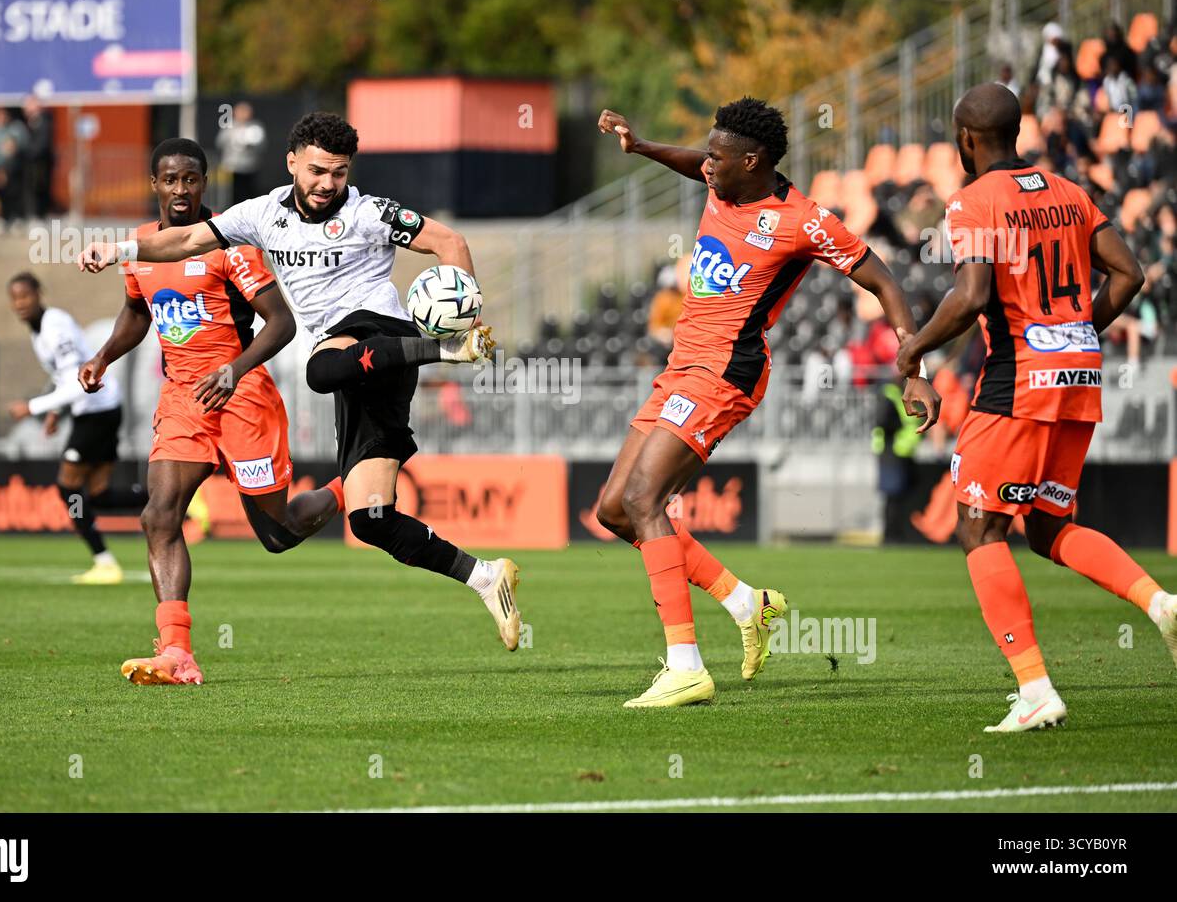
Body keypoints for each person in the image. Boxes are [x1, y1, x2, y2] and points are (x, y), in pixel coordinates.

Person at [77, 112, 523, 653]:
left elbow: (447, 241)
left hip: (379, 336)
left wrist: (466, 314)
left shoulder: (372, 212)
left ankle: (443, 349)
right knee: (372, 521)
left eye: (338, 173)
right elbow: (188, 240)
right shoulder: (262, 214)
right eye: (317, 171)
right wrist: (118, 251)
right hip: (365, 371)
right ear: (291, 162)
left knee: (319, 369)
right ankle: (485, 577)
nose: (327, 184)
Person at [595, 99, 941, 707]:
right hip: (681, 366)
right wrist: (643, 146)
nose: (705, 166)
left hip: (725, 371)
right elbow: (694, 164)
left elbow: (883, 280)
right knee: (615, 511)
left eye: (717, 157)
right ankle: (743, 602)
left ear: (752, 161)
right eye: (705, 154)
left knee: (644, 499)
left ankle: (686, 667)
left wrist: (912, 366)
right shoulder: (722, 185)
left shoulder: (802, 221)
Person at [896, 83, 1177, 733]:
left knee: (979, 526)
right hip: (1078, 373)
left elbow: (969, 298)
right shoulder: (1068, 191)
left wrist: (912, 349)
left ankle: (1036, 690)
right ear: (1015, 132)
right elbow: (1130, 275)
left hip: (1018, 377)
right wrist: (1079, 331)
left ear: (966, 142)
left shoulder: (972, 201)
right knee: (1047, 527)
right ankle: (1159, 601)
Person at [79, 137, 343, 685]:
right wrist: (103, 356)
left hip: (241, 394)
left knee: (278, 533)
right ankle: (177, 652)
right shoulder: (140, 248)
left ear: (204, 182)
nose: (181, 190)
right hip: (183, 397)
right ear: (155, 184)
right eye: (170, 180)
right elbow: (137, 313)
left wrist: (236, 369)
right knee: (159, 514)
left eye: (191, 179)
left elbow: (281, 323)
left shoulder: (230, 243)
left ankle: (351, 485)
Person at [7, 272, 141, 584]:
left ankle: (104, 563)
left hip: (98, 411)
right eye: (14, 299)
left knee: (67, 488)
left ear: (40, 293)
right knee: (99, 495)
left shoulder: (55, 326)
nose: (20, 303)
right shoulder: (38, 330)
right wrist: (55, 409)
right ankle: (172, 499)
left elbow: (82, 383)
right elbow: (65, 378)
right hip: (97, 410)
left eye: (25, 296)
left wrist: (33, 407)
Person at [0, 108, 27, 232]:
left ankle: (15, 219)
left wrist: (4, 169)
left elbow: (11, 150)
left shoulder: (13, 130)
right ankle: (3, 218)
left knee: (12, 194)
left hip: (8, 169)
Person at [216, 101, 267, 203]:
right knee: (231, 194)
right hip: (232, 167)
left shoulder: (255, 126)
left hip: (249, 167)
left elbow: (261, 144)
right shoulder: (229, 126)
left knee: (248, 193)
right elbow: (220, 142)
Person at [21, 95, 55, 220]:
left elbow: (42, 143)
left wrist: (29, 152)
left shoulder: (43, 121)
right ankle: (33, 214)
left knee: (40, 188)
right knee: (31, 189)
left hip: (40, 162)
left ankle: (40, 215)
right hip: (32, 162)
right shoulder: (29, 121)